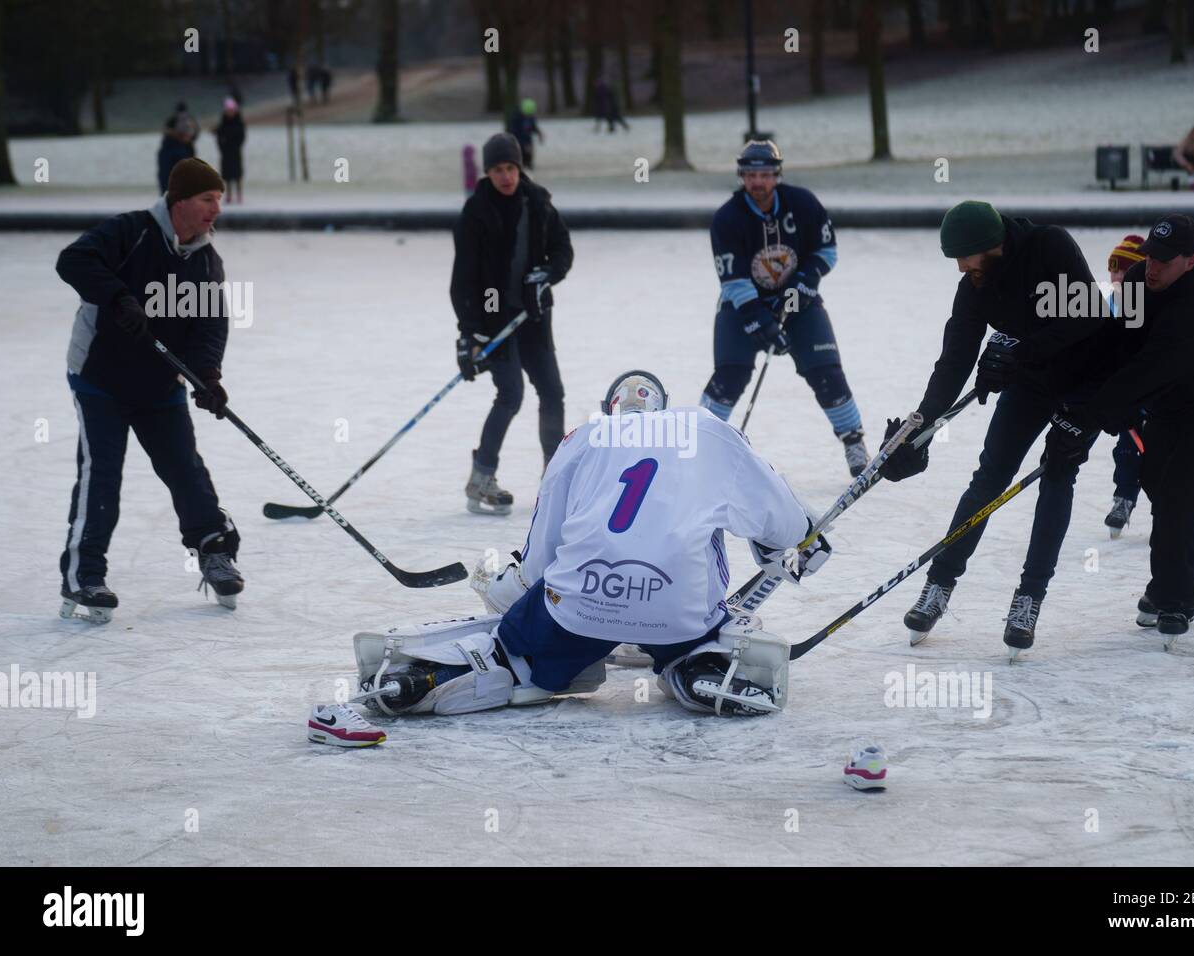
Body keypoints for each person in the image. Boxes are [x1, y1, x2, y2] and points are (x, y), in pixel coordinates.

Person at [306, 371, 840, 746]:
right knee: (695, 613)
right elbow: (788, 525)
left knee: (513, 656)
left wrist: (515, 598)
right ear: (661, 407)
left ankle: (417, 682)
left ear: (613, 409)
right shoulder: (706, 430)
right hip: (677, 604)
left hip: (584, 600)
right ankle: (700, 665)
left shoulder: (584, 437)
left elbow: (542, 558)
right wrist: (799, 546)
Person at [878, 200, 1106, 657]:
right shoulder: (975, 286)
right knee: (989, 477)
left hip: (1084, 384)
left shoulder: (1050, 247)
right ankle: (939, 586)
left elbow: (1089, 317)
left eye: (966, 256)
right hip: (1031, 386)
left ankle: (1028, 599)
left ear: (994, 244)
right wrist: (919, 428)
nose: (961, 267)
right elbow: (955, 359)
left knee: (1057, 478)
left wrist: (1016, 353)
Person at [1044, 215, 1194, 645]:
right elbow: (1118, 344)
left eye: (1165, 260)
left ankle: (1175, 596)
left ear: (1192, 261)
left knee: (1185, 488)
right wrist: (1075, 398)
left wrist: (1090, 419)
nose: (1152, 267)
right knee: (1156, 480)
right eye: (1150, 257)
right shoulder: (1143, 281)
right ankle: (1184, 568)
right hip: (1174, 398)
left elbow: (1145, 371)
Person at [56, 158, 244, 624]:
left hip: (160, 383)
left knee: (185, 469)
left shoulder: (204, 259)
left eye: (219, 200)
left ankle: (215, 549)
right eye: (207, 199)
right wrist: (119, 296)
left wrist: (209, 377)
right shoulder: (131, 231)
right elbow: (73, 260)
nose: (215, 209)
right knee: (103, 475)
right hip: (99, 378)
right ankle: (84, 575)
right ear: (180, 201)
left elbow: (209, 323)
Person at [700, 140, 870, 476]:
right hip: (743, 303)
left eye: (765, 174)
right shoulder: (727, 218)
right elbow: (732, 280)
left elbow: (827, 250)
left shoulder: (803, 204)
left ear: (777, 175)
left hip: (799, 300)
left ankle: (853, 439)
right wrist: (759, 322)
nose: (758, 182)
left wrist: (805, 281)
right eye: (750, 175)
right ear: (741, 177)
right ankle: (697, 442)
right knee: (730, 374)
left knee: (826, 372)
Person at [449, 132, 573, 515]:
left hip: (532, 319)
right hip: (495, 322)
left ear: (520, 168)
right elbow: (463, 279)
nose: (506, 176)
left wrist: (545, 276)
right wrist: (469, 334)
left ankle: (555, 478)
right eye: (498, 169)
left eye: (511, 168)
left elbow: (562, 251)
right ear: (488, 172)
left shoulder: (538, 204)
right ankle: (481, 476)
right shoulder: (476, 213)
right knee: (511, 395)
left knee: (552, 392)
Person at [1103, 234, 1146, 537]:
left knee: (1149, 452)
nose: (1117, 276)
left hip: (1148, 396)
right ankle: (1124, 498)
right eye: (1113, 269)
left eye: (1123, 270)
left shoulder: (1148, 303)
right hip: (1117, 394)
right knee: (1126, 450)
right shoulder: (1109, 302)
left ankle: (1168, 510)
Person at [156, 102, 197, 194]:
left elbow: (191, 137)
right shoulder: (187, 121)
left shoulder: (182, 122)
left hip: (178, 153)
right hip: (177, 153)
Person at [213, 97, 246, 205]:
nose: (230, 113)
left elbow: (242, 137)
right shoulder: (223, 123)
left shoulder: (239, 123)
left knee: (237, 175)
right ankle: (229, 196)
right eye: (228, 111)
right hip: (226, 152)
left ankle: (239, 195)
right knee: (227, 176)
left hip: (235, 151)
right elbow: (218, 136)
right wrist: (222, 148)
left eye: (231, 111)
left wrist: (236, 146)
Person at [506, 98, 545, 169]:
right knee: (520, 152)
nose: (529, 116)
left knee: (529, 152)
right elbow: (513, 132)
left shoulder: (530, 117)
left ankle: (528, 163)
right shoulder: (516, 118)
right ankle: (520, 165)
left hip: (527, 139)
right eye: (528, 114)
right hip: (518, 139)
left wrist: (539, 133)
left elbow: (533, 126)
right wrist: (523, 144)